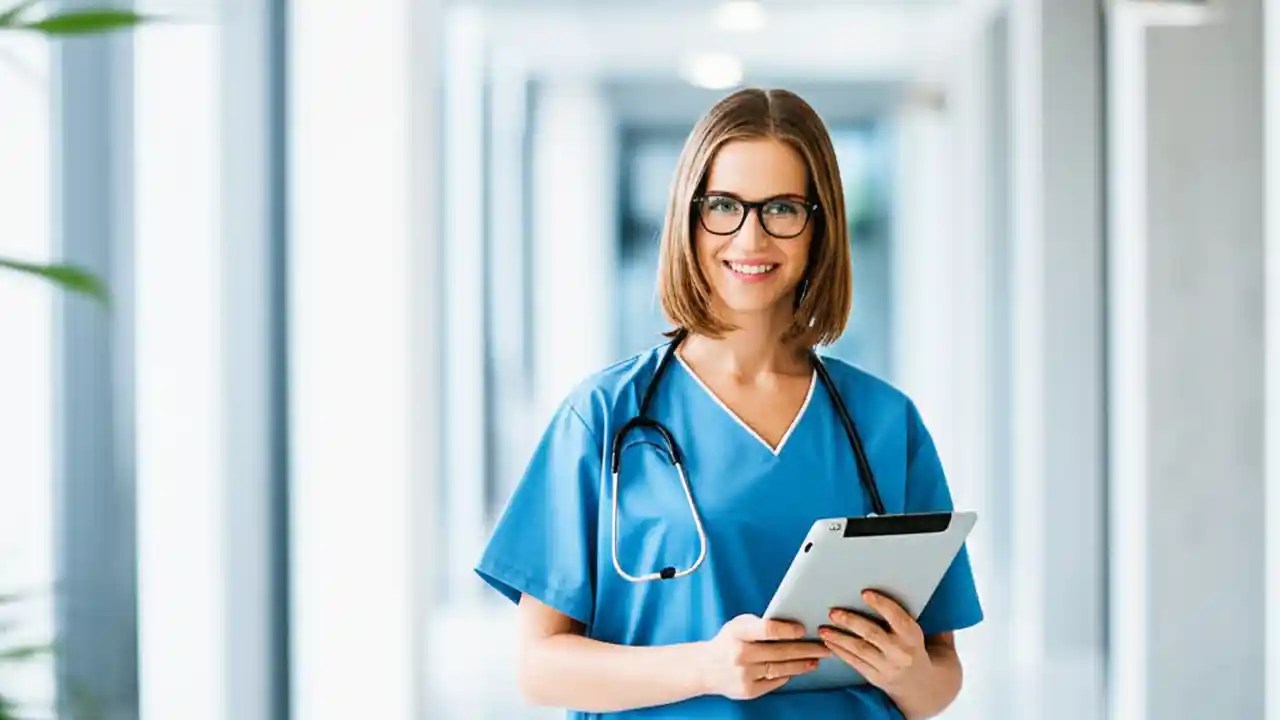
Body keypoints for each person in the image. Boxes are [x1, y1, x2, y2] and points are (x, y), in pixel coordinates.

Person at [474, 87, 982, 719]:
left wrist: (907, 671)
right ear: (689, 218)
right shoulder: (604, 416)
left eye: (782, 209)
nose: (751, 236)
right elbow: (540, 669)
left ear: (819, 224)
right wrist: (707, 668)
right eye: (723, 206)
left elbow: (940, 680)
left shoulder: (884, 423)